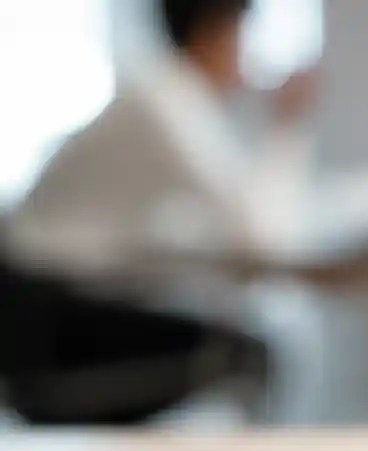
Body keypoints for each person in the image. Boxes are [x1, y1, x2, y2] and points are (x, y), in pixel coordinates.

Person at [7, 0, 318, 284]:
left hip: (59, 281)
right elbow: (259, 241)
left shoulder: (166, 91)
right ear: (214, 33)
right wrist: (286, 127)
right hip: (43, 287)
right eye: (244, 34)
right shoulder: (167, 101)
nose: (249, 56)